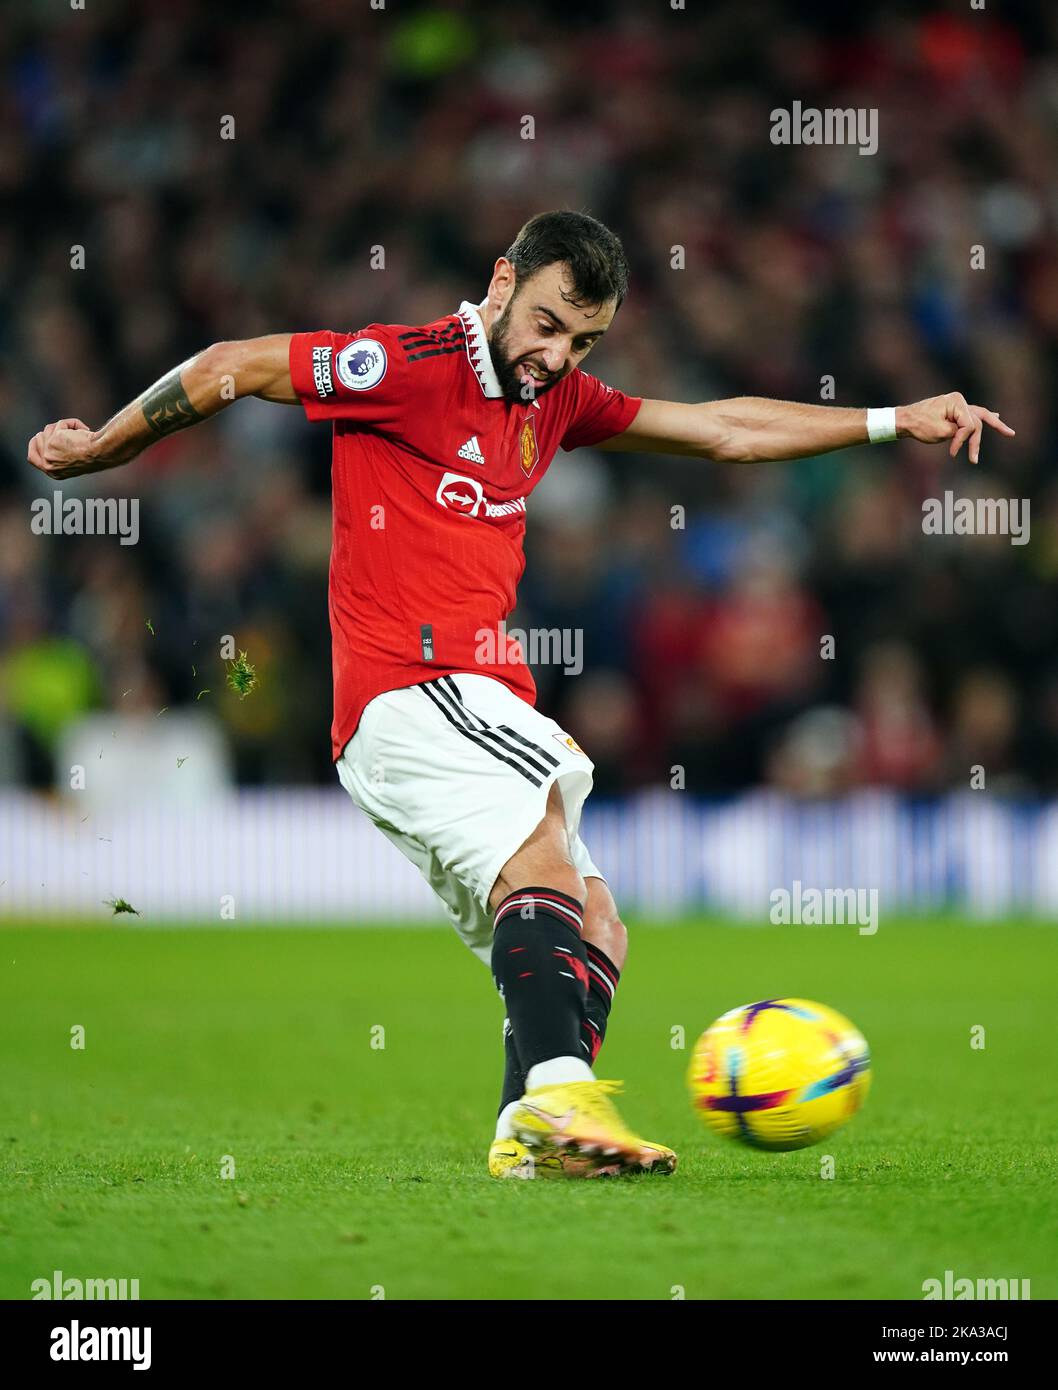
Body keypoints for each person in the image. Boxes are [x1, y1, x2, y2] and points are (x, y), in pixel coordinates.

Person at [27, 210, 1014, 1179]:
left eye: (582, 339)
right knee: (541, 832)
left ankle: (526, 1131)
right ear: (501, 282)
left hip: (467, 695)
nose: (555, 355)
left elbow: (726, 432)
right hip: (410, 684)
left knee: (596, 924)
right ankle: (554, 1093)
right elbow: (229, 365)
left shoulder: (561, 399)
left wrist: (891, 420)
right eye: (545, 323)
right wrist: (107, 448)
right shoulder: (409, 366)